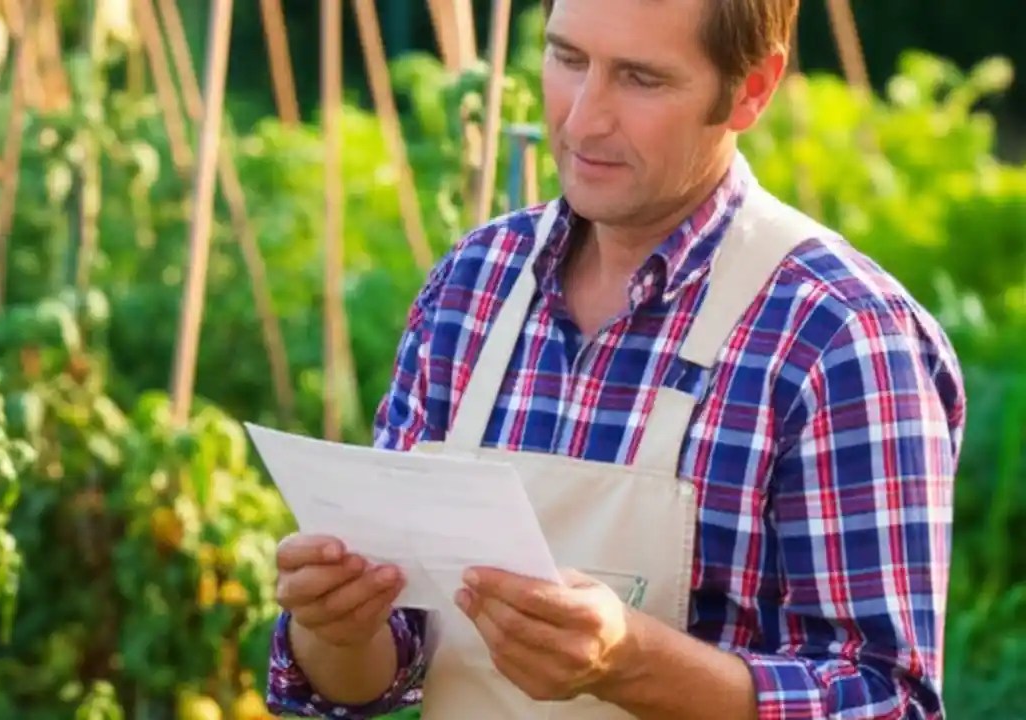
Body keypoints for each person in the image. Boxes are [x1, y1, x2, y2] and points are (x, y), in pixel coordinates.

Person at [265, 0, 966, 717]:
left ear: (751, 89)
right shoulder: (474, 284)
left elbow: (887, 700)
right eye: (568, 60)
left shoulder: (840, 338)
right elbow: (392, 657)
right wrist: (338, 628)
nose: (582, 119)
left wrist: (630, 663)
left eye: (640, 79)